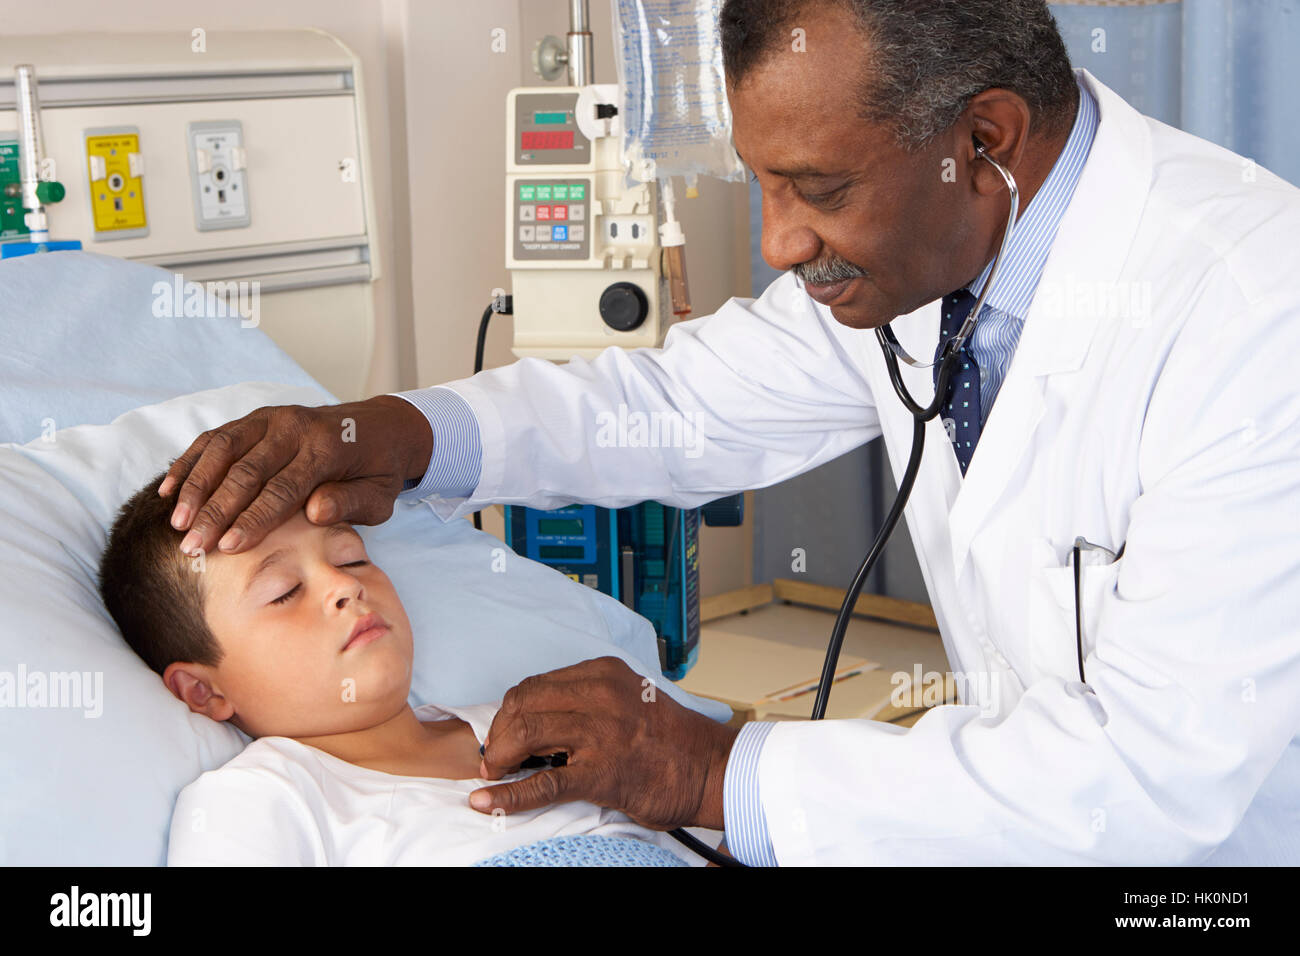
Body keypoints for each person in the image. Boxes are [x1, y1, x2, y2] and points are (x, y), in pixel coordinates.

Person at [157, 0, 1300, 865]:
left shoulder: (1252, 313)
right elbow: (683, 404)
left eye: (817, 187)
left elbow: (1160, 774)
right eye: (763, 184)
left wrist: (713, 770)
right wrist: (406, 432)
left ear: (985, 143)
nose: (780, 243)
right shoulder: (273, 802)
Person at [99, 473, 704, 866]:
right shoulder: (263, 799)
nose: (343, 586)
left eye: (352, 558)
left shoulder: (530, 719)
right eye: (285, 591)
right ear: (203, 690)